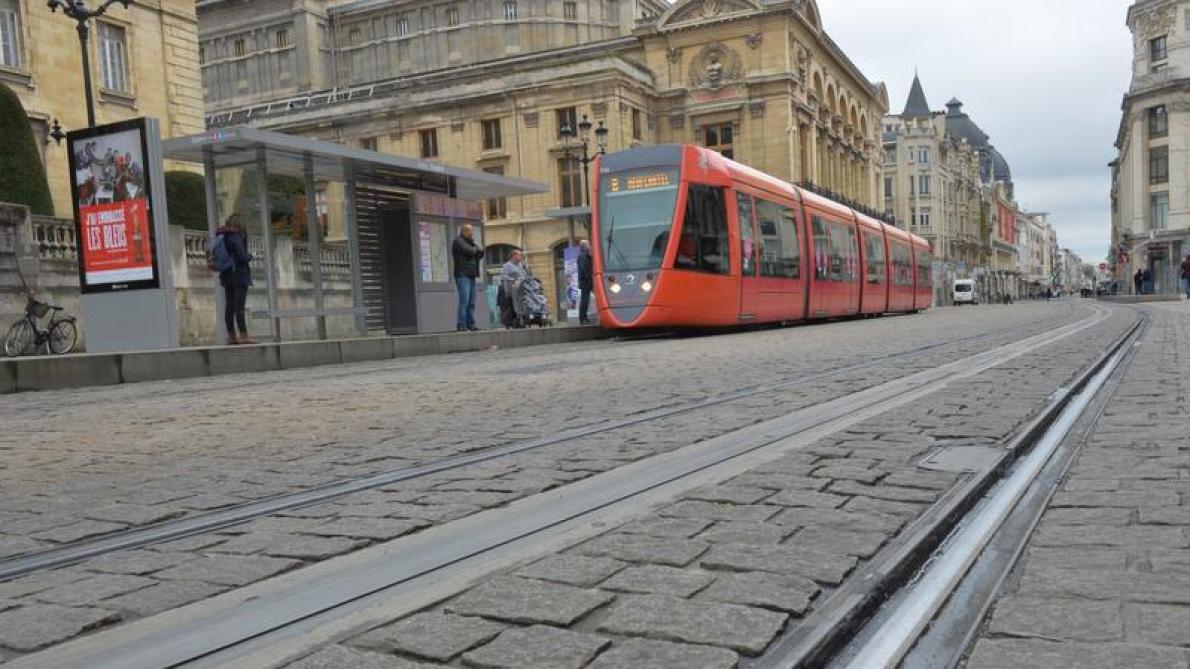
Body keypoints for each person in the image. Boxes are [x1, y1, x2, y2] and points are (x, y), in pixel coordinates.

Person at [217, 214, 255, 345]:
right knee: (239, 307)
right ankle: (244, 335)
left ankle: (232, 336)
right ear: (240, 224)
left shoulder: (224, 236)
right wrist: (250, 256)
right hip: (238, 275)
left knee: (230, 307)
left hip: (227, 275)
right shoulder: (236, 237)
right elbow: (243, 257)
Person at [451, 224, 484, 331]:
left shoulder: (471, 242)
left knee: (472, 302)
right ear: (464, 231)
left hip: (471, 275)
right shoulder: (458, 241)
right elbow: (470, 251)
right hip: (462, 274)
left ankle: (471, 324)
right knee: (464, 301)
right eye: (470, 231)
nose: (472, 234)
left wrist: (474, 246)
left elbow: (481, 252)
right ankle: (461, 325)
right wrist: (475, 249)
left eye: (472, 231)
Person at [577, 240, 594, 325]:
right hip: (585, 281)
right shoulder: (582, 256)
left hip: (586, 281)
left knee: (586, 300)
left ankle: (584, 317)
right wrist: (588, 278)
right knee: (584, 300)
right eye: (588, 244)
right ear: (584, 246)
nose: (589, 246)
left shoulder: (586, 255)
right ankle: (583, 318)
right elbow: (583, 269)